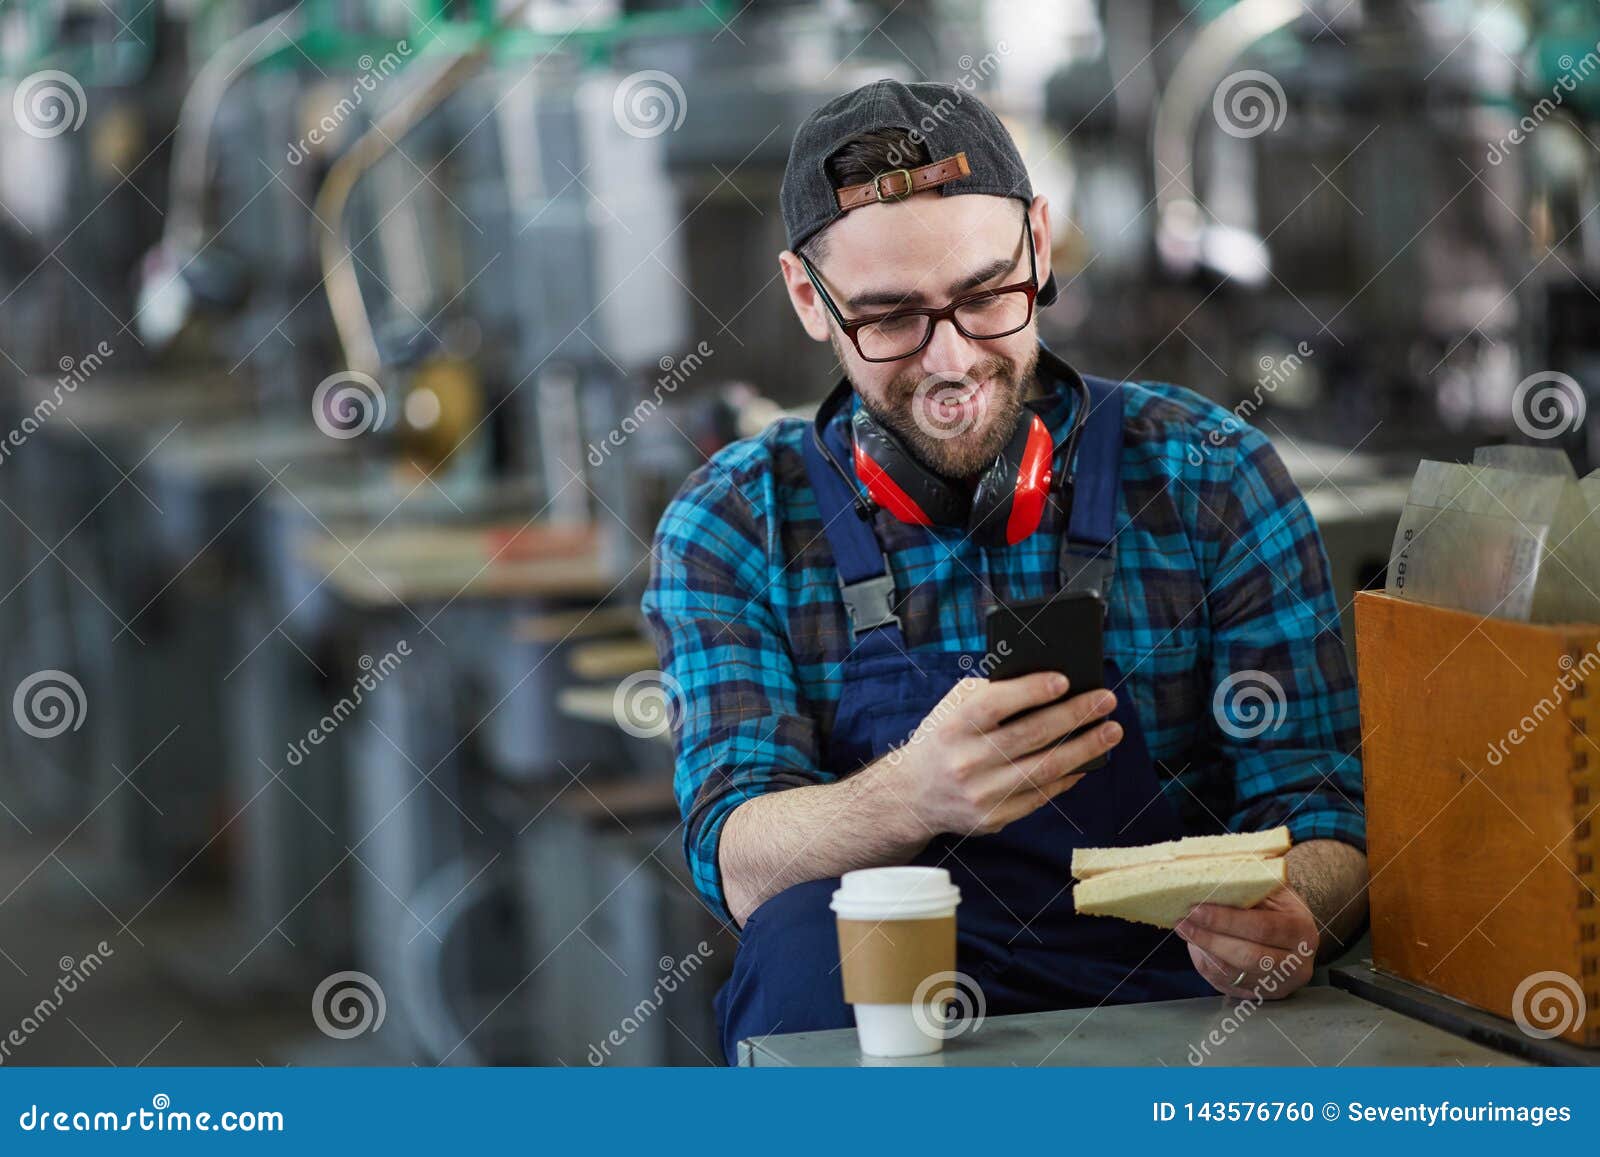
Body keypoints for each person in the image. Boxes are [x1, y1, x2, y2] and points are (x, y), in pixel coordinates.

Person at [641, 79, 1367, 1065]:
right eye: (890, 317)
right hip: (900, 1034)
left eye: (986, 295)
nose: (950, 362)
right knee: (801, 940)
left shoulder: (1212, 475)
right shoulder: (735, 520)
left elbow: (1320, 802)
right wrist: (914, 793)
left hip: (1187, 1018)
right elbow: (740, 858)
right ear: (810, 297)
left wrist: (1302, 909)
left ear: (1038, 240)